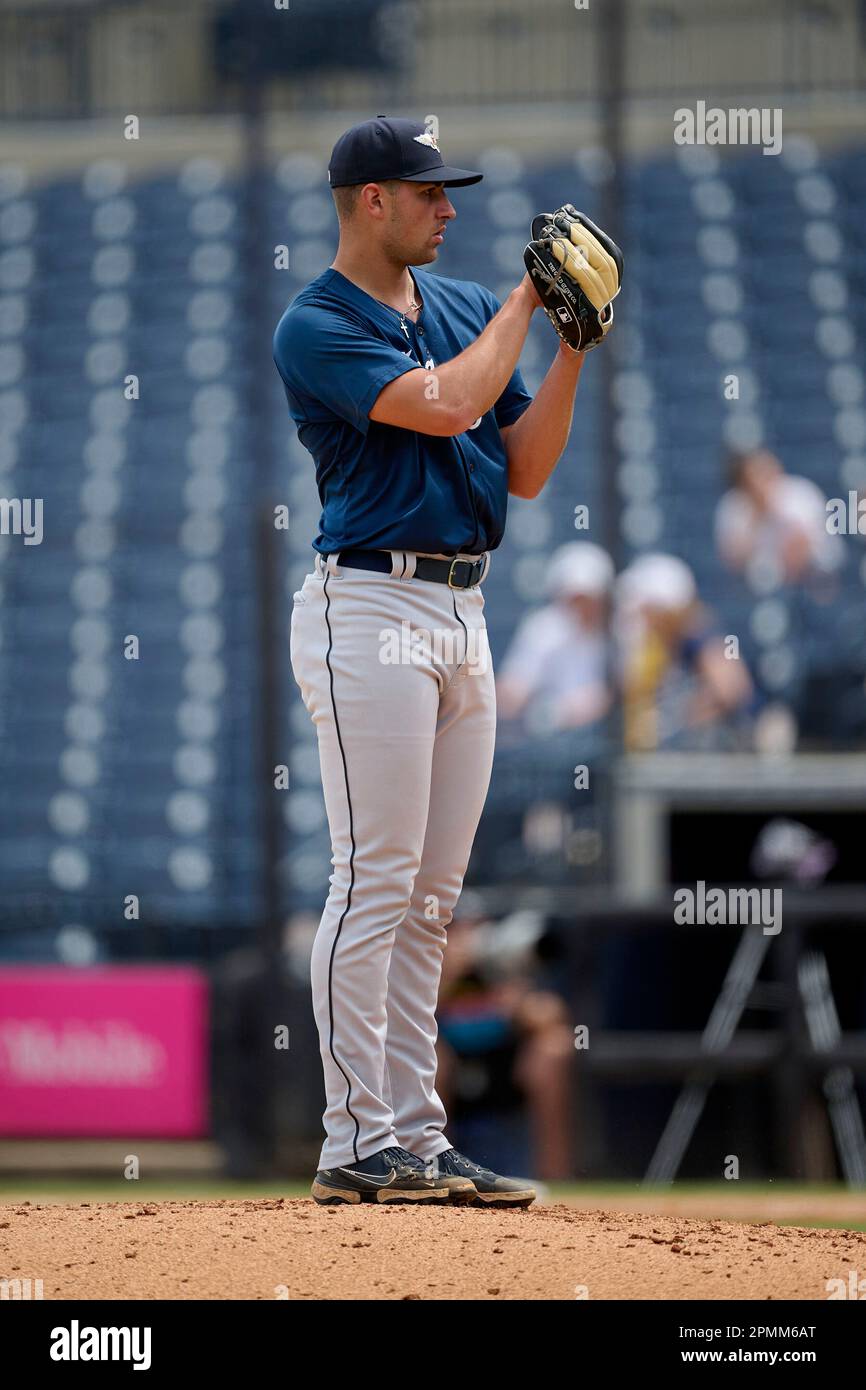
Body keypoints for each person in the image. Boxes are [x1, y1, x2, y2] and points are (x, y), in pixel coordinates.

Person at [273, 116, 617, 1206]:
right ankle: (349, 1142)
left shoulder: (465, 307)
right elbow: (450, 404)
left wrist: (568, 348)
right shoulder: (315, 324)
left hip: (463, 609)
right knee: (370, 881)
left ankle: (417, 1139)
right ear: (369, 200)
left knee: (431, 899)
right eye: (427, 192)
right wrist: (527, 302)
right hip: (366, 602)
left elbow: (519, 468)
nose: (448, 208)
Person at [616, 553, 754, 751]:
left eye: (648, 608)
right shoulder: (654, 644)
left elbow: (733, 690)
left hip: (716, 754)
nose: (642, 615)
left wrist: (675, 722)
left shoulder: (700, 634)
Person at [496, 540, 615, 736]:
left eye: (589, 598)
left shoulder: (620, 630)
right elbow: (515, 687)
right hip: (552, 743)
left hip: (606, 738)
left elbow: (625, 691)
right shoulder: (543, 628)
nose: (583, 606)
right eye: (575, 598)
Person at [714, 448, 840, 585]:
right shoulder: (734, 504)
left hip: (812, 575)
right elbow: (734, 559)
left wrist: (773, 510)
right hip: (761, 583)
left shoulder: (800, 493)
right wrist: (757, 516)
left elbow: (803, 548)